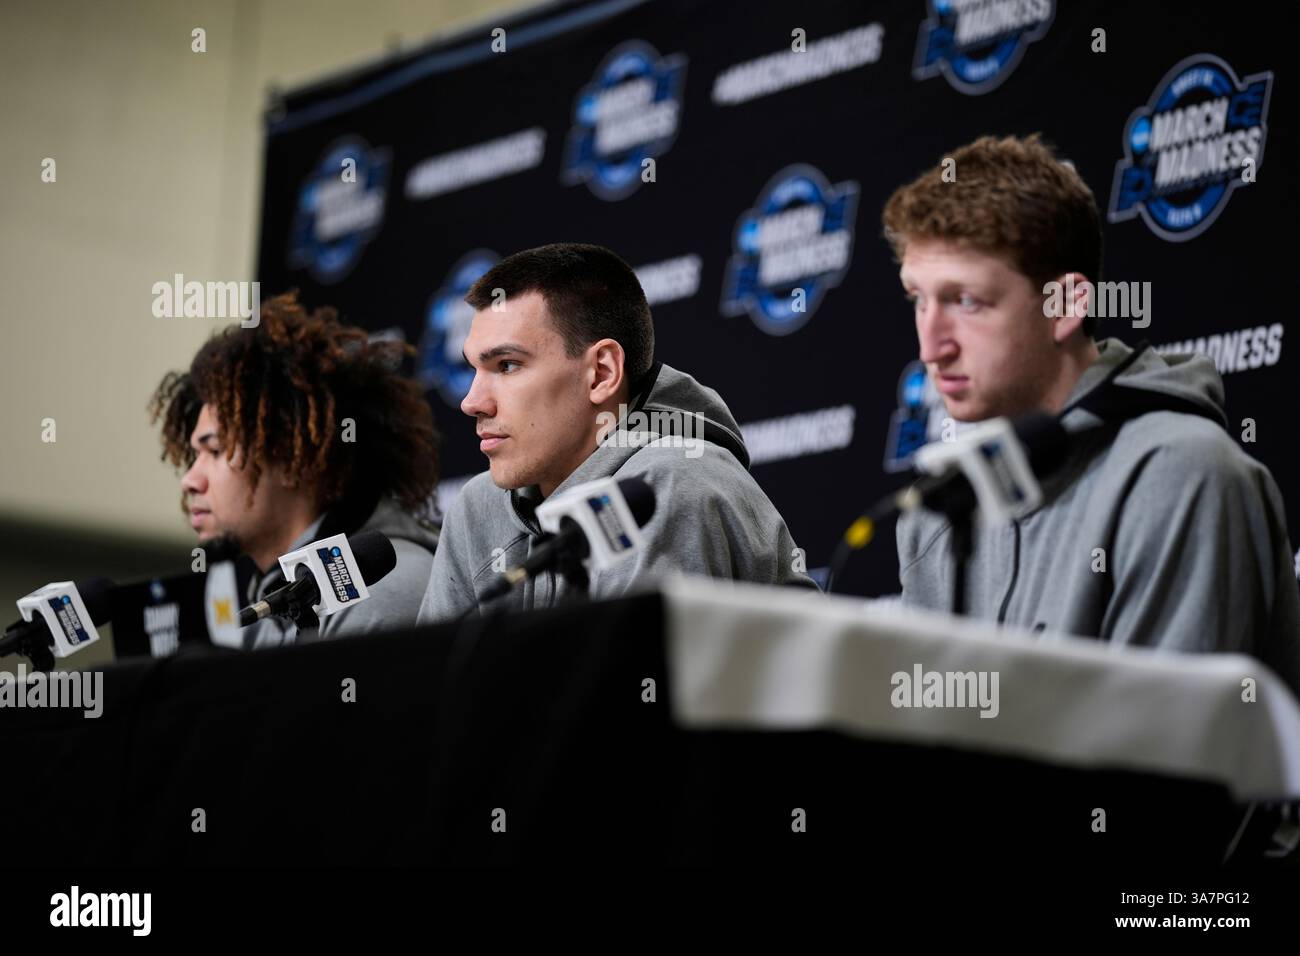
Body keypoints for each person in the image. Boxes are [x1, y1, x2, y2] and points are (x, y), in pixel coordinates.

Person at [884, 133, 1300, 695]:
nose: (931, 346)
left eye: (967, 301)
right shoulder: (941, 510)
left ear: (1066, 307)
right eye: (919, 300)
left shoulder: (1183, 474)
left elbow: (1170, 764)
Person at [417, 242, 815, 621]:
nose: (471, 402)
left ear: (602, 373)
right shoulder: (478, 507)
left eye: (506, 365)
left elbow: (630, 689)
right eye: (473, 369)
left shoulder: (673, 482)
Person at [150, 291, 441, 646]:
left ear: (292, 459)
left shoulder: (380, 590)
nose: (190, 480)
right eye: (194, 455)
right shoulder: (277, 593)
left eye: (214, 450)